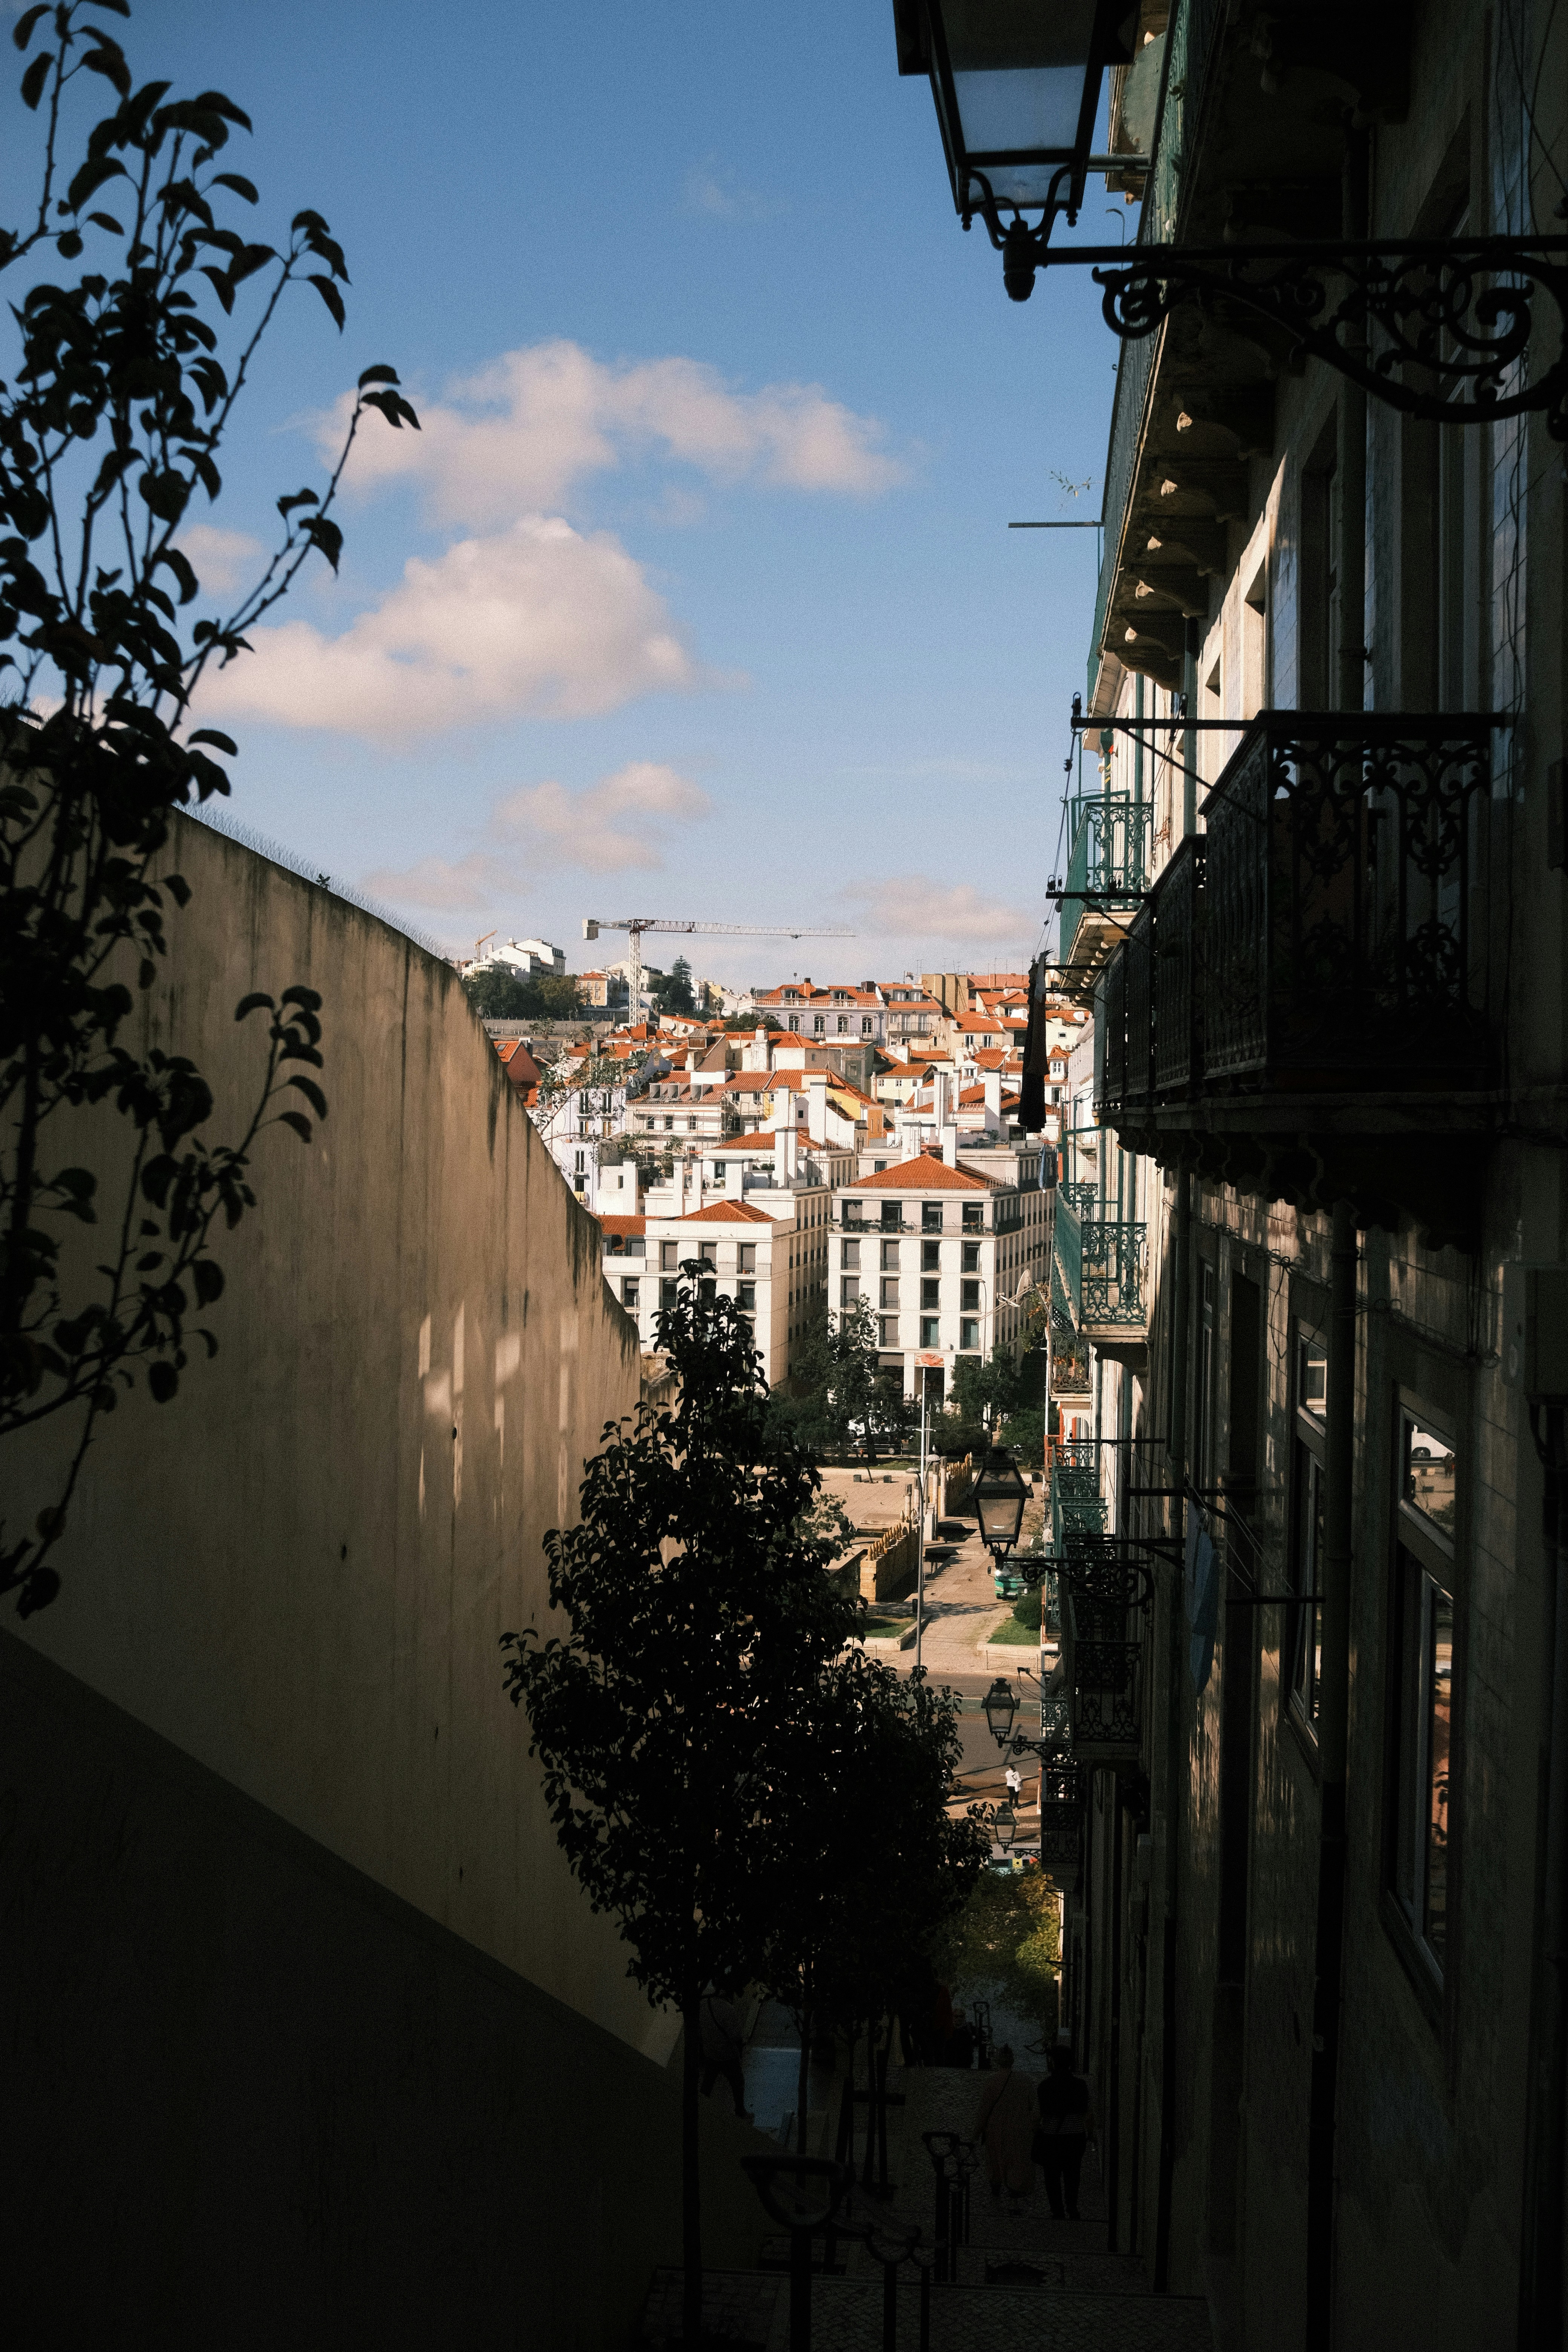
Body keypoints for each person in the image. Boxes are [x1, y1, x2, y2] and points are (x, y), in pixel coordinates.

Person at [1034, 2039, 1094, 2219]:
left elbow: (1038, 2116)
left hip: (1052, 2137)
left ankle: (1057, 2210)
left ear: (1053, 2062)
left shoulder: (1044, 2087)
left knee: (1051, 2176)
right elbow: (1088, 2114)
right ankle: (1072, 2208)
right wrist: (1091, 2135)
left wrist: (1035, 2134)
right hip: (1075, 2137)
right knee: (1073, 2174)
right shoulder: (1081, 2086)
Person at [972, 2045, 1037, 2214]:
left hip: (995, 2130)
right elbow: (1033, 2107)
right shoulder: (1025, 2081)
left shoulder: (991, 2082)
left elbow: (984, 2110)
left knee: (996, 2160)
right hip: (1018, 2129)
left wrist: (974, 2135)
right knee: (1016, 2161)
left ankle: (996, 2191)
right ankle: (1014, 2198)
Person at [698, 1988, 751, 2120]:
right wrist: (740, 2053)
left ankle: (700, 2109)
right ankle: (740, 2110)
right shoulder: (728, 2009)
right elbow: (736, 2037)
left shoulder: (704, 2004)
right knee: (738, 2083)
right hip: (728, 2055)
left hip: (711, 2052)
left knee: (707, 2084)